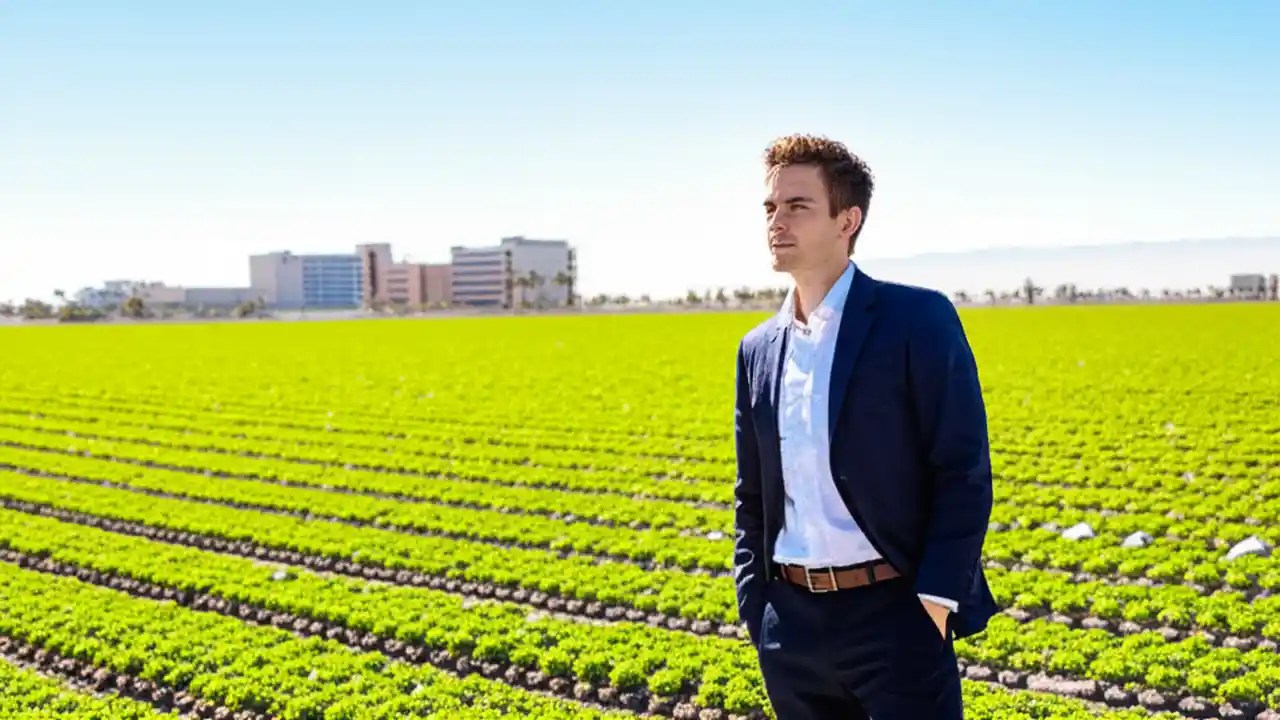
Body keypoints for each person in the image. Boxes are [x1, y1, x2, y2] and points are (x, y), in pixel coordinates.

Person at [733, 133, 997, 719]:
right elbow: (752, 497)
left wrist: (933, 601)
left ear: (847, 219)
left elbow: (962, 471)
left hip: (896, 617)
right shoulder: (757, 350)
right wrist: (759, 608)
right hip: (791, 626)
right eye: (771, 208)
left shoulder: (915, 320)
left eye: (797, 206)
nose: (778, 221)